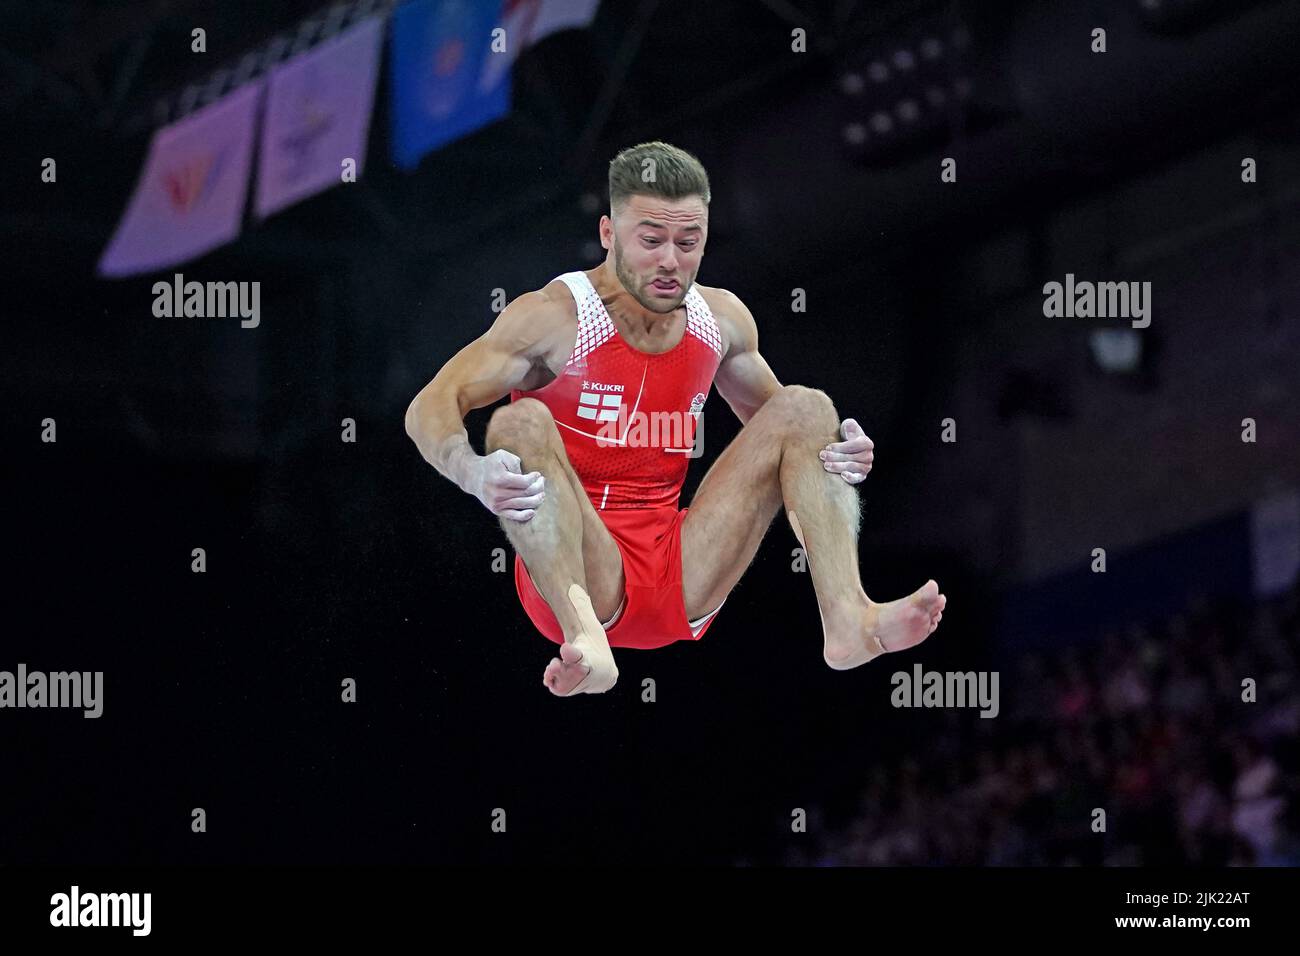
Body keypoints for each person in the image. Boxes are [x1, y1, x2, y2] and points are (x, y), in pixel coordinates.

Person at [405, 141, 945, 696]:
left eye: (688, 243)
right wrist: (471, 474)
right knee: (519, 427)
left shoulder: (722, 320)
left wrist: (840, 452)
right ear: (609, 234)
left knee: (806, 408)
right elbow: (429, 406)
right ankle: (586, 640)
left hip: (680, 569)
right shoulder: (553, 318)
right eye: (651, 240)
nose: (671, 260)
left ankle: (850, 621)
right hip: (577, 568)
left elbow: (795, 446)